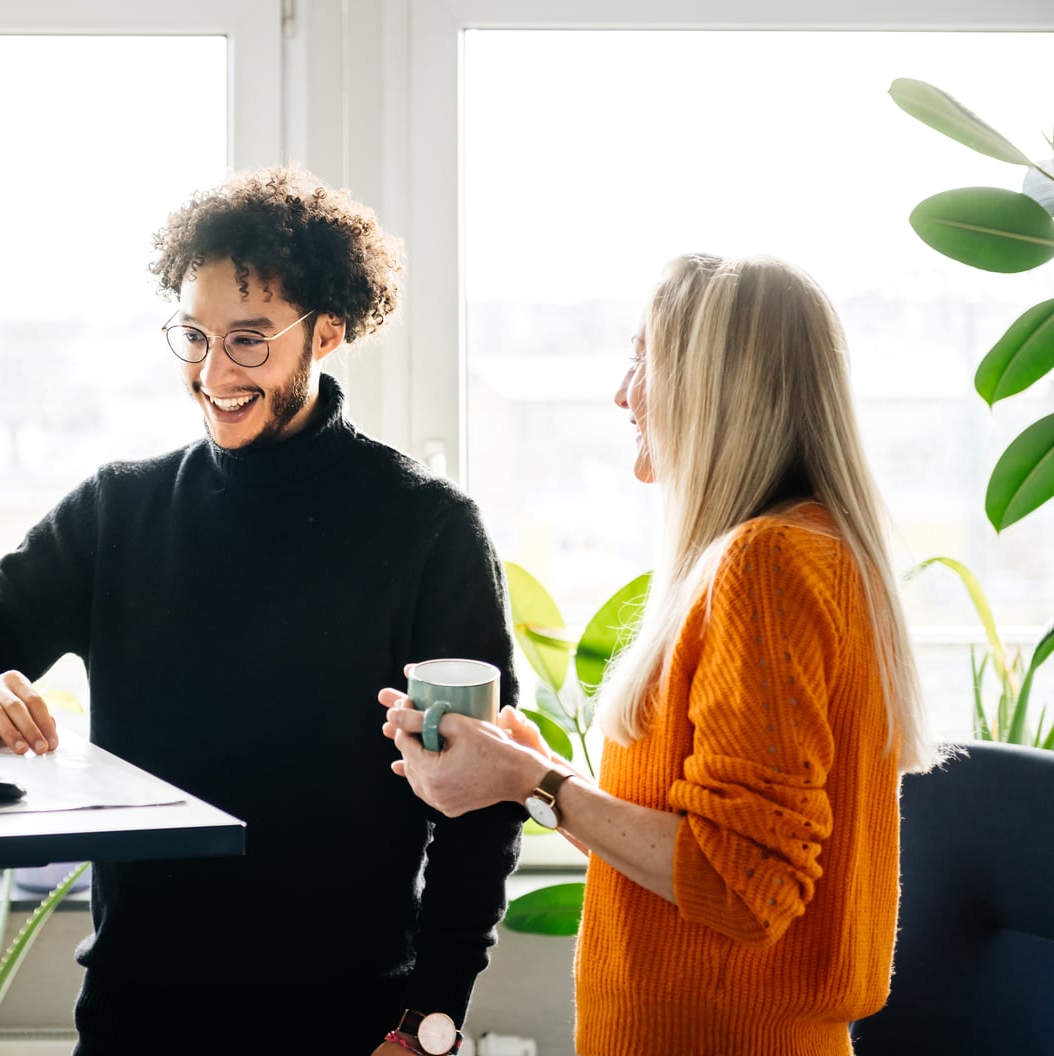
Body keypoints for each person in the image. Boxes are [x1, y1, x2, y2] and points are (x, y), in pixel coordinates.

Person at [0, 166, 522, 1055]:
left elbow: (484, 807)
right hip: (135, 1016)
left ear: (328, 332)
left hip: (350, 1023)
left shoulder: (428, 528)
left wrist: (430, 1021)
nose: (213, 372)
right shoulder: (120, 511)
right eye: (194, 335)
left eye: (250, 339)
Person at [380, 253, 940, 1055]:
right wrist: (536, 777)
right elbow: (695, 853)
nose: (621, 391)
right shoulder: (816, 550)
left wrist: (532, 780)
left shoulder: (766, 566)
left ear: (714, 387)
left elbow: (742, 886)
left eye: (643, 358)